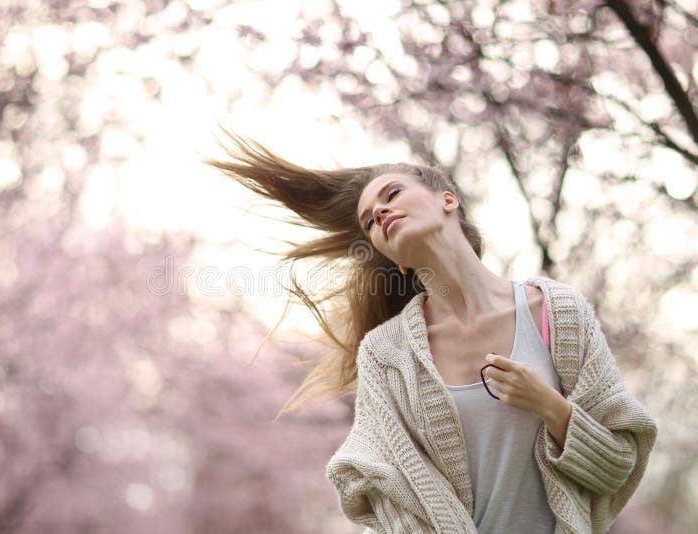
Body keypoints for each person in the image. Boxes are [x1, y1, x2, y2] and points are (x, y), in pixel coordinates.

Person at [202, 126, 658, 533]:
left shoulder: (559, 312)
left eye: (391, 194)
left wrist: (551, 406)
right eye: (369, 220)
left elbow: (617, 466)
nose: (379, 213)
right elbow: (371, 487)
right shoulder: (385, 353)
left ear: (448, 200)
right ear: (392, 257)